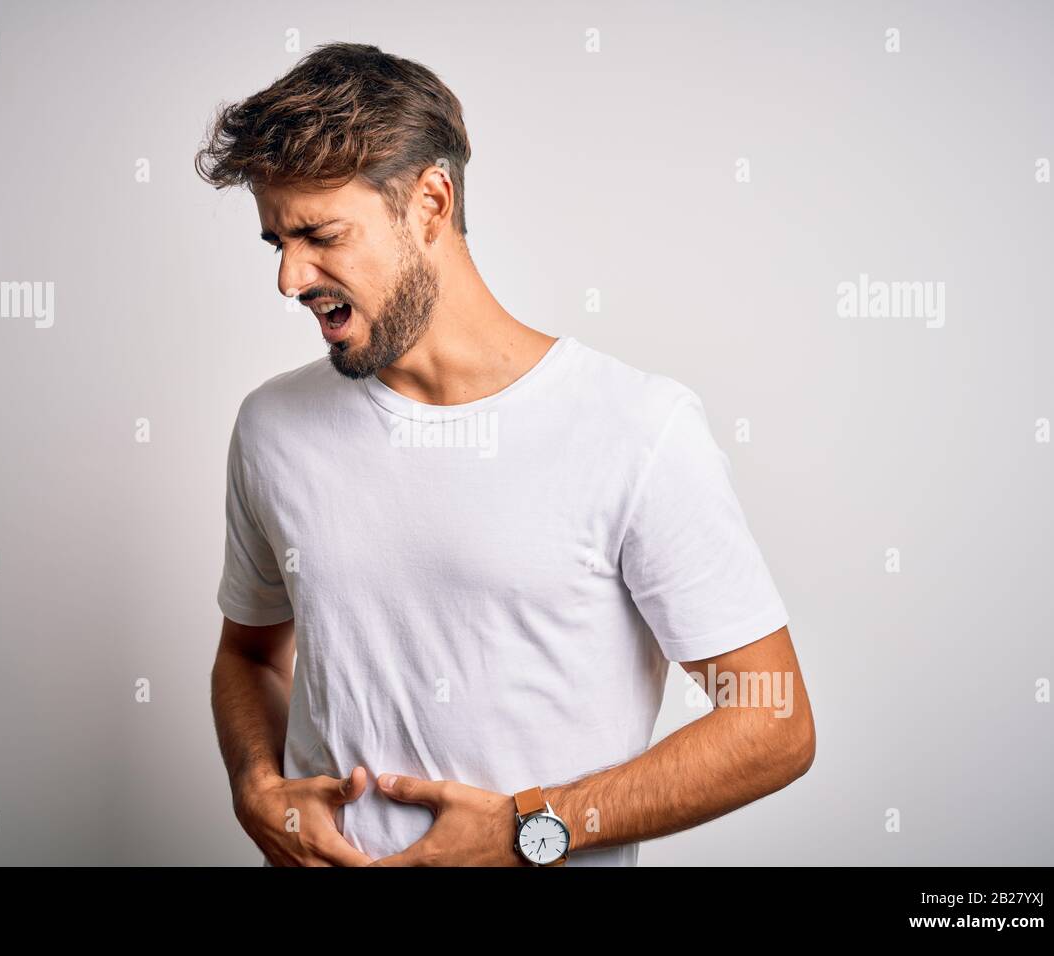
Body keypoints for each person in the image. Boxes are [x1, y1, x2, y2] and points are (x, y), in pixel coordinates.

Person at [199, 42, 815, 867]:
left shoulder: (636, 427)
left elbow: (773, 724)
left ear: (430, 201)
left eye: (319, 235)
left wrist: (534, 829)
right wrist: (258, 790)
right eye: (277, 240)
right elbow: (249, 654)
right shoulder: (272, 425)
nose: (289, 278)